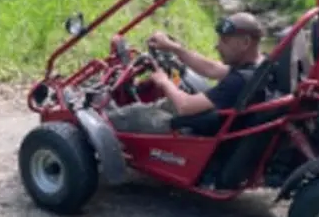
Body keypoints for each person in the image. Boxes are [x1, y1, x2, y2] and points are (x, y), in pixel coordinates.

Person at [106, 11, 267, 134]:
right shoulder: (258, 67)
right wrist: (175, 48)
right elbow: (211, 68)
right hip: (210, 120)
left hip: (193, 132)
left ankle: (103, 121)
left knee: (135, 114)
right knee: (162, 104)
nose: (217, 47)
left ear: (245, 43)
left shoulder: (238, 81)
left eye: (224, 41)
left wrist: (163, 81)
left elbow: (185, 106)